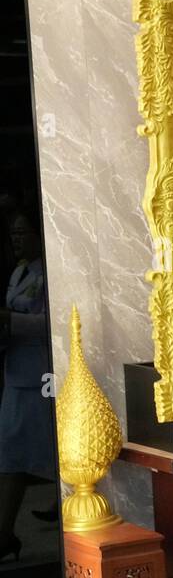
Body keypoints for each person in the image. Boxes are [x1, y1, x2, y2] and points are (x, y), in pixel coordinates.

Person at [0, 211, 56, 560]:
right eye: (13, 232)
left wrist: (10, 321)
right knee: (12, 453)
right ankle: (5, 533)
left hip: (38, 375)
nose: (17, 238)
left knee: (17, 455)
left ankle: (5, 534)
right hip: (16, 372)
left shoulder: (47, 272)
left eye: (23, 231)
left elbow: (51, 322)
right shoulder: (20, 270)